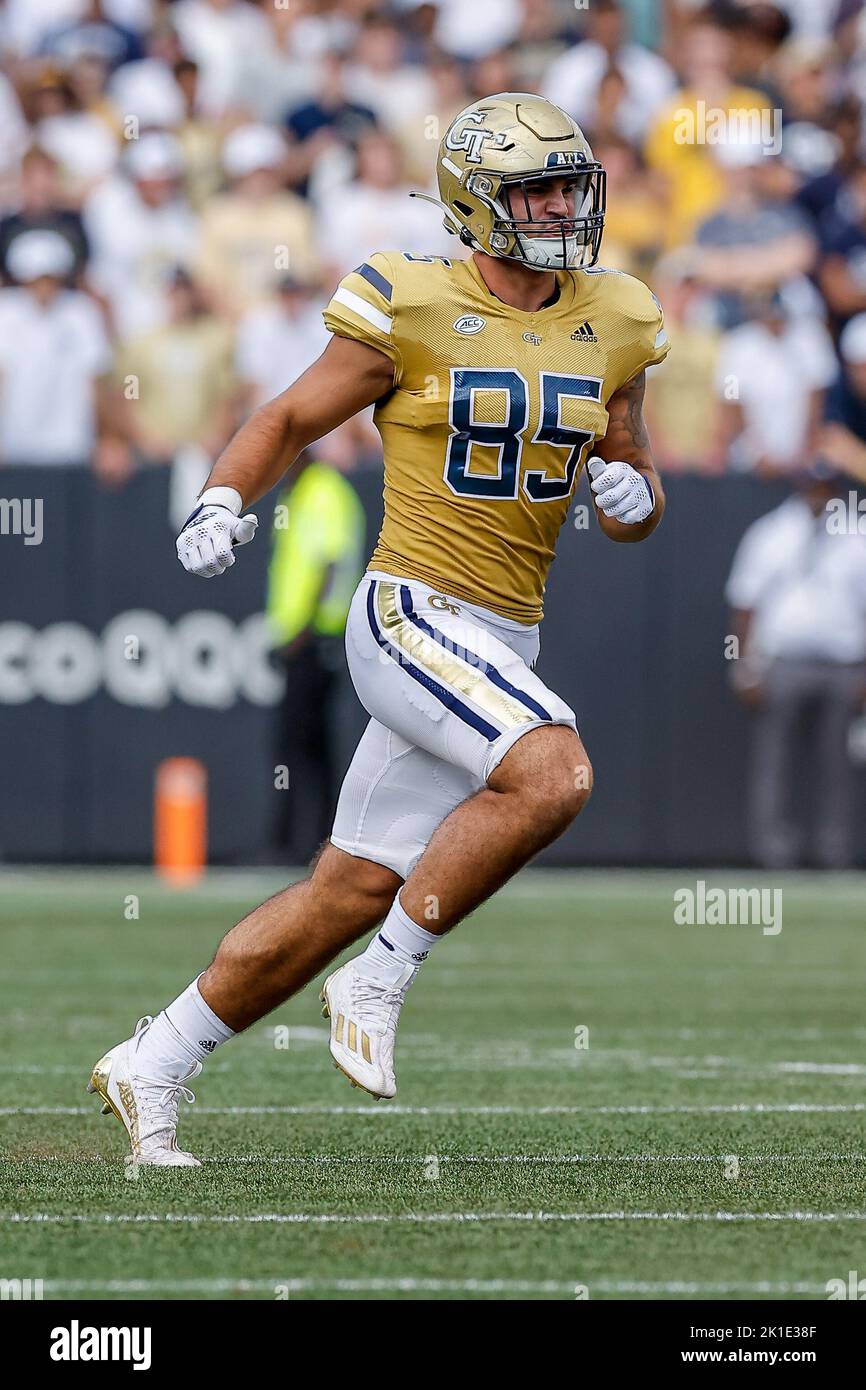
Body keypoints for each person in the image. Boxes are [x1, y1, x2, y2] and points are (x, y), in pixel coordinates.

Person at [88, 92, 670, 1165]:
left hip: (505, 634)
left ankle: (154, 1057)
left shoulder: (620, 314)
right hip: (410, 610)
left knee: (346, 888)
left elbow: (629, 458)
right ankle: (384, 972)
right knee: (553, 774)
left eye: (566, 185)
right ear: (474, 201)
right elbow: (287, 417)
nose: (558, 206)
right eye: (533, 188)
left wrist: (636, 495)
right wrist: (225, 495)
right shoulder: (409, 302)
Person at [726, 467, 866, 869]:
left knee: (838, 765)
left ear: (837, 489)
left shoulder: (857, 535)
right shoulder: (770, 533)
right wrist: (742, 668)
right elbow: (744, 606)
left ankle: (834, 853)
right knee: (776, 762)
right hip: (783, 663)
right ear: (801, 488)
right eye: (813, 487)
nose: (819, 496)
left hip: (843, 664)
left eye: (826, 488)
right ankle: (775, 854)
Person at [266, 450, 366, 864]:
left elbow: (330, 565)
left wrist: (304, 629)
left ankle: (294, 844)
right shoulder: (302, 492)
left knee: (299, 745)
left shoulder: (323, 492)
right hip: (302, 637)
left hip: (315, 637)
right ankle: (315, 843)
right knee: (310, 746)